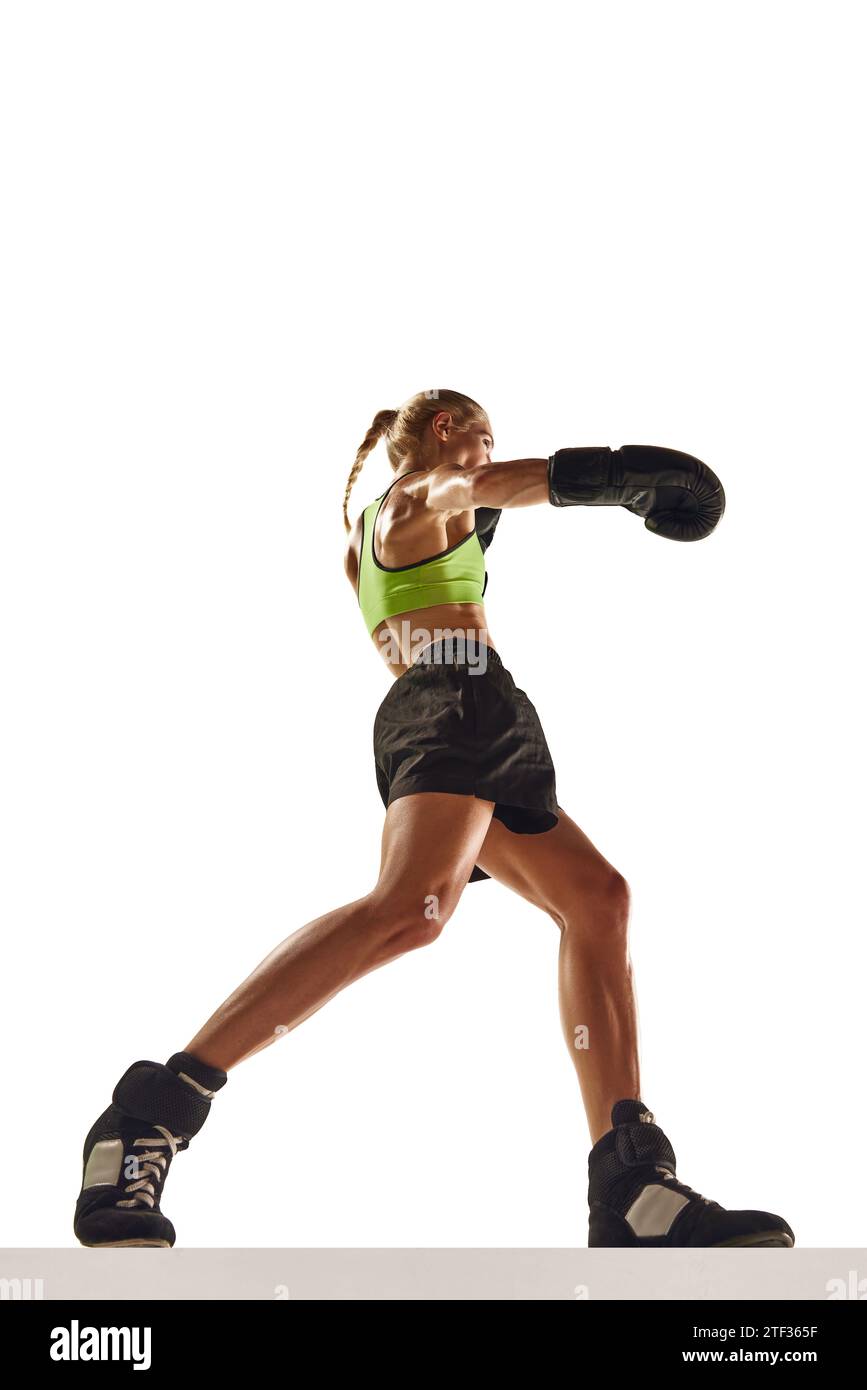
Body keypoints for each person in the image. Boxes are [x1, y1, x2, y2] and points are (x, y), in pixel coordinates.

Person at [73, 389, 794, 1249]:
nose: (488, 451)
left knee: (597, 899)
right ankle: (152, 1112)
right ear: (446, 430)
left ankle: (630, 1186)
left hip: (470, 706)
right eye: (482, 435)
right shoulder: (427, 490)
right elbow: (488, 487)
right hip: (455, 700)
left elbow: (428, 578)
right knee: (410, 911)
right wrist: (621, 480)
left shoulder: (366, 537)